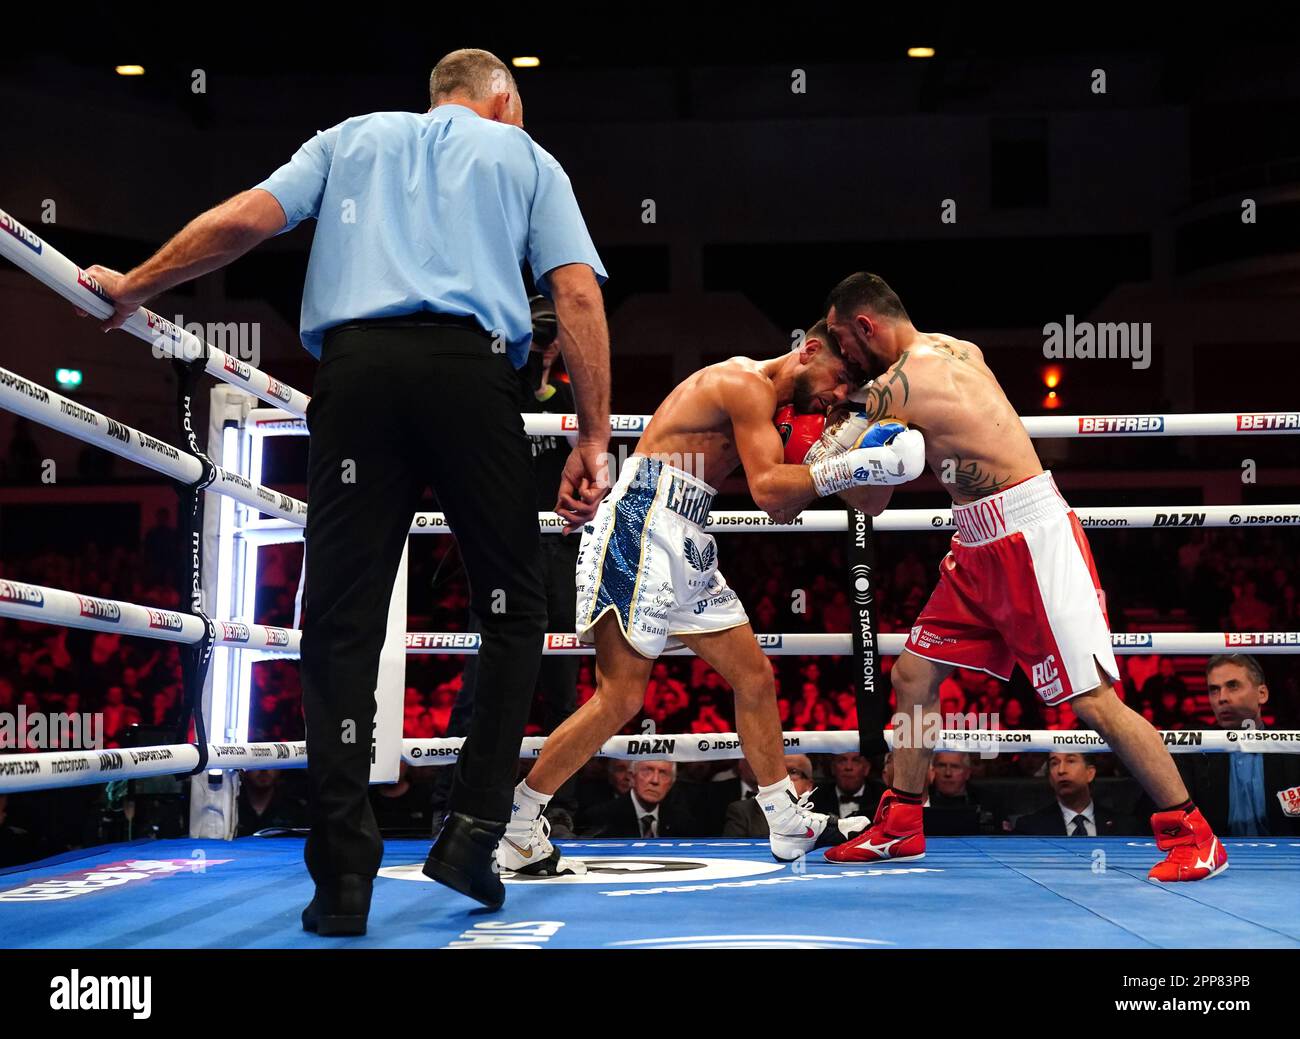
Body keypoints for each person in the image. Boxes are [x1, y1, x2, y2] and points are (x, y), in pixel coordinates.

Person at [79, 48, 610, 927]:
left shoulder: (351, 139)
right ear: (505, 101)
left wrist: (132, 287)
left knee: (339, 622)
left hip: (358, 378)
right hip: (469, 379)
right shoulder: (524, 155)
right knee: (515, 605)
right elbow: (576, 295)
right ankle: (473, 830)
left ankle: (342, 877)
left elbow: (249, 218)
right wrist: (592, 437)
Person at [816, 272, 1225, 882]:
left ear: (866, 326)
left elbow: (848, 475)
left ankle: (1193, 832)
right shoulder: (959, 349)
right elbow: (881, 490)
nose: (842, 355)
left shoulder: (897, 387)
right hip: (976, 542)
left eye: (842, 341)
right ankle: (901, 821)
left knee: (1091, 699)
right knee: (913, 671)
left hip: (1029, 539)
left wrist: (811, 436)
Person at [498, 320, 919, 874]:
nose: (838, 394)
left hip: (686, 534)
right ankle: (519, 826)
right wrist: (859, 460)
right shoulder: (745, 385)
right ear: (809, 350)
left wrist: (848, 455)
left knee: (754, 676)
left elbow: (784, 509)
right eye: (839, 377)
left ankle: (785, 821)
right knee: (620, 697)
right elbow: (770, 490)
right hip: (641, 525)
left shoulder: (775, 410)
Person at [1171, 655, 1300, 837]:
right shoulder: (1195, 753)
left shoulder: (1292, 748)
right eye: (1214, 690)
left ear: (1262, 694)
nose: (1221, 698)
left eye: (1233, 686)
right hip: (1218, 858)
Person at [1013, 752, 1136, 836]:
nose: (1061, 770)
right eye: (1054, 763)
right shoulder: (1030, 828)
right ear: (1050, 777)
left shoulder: (1125, 826)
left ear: (1090, 773)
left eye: (1070, 761)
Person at [579, 760, 700, 838]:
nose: (655, 780)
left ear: (671, 783)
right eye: (647, 771)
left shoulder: (683, 822)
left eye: (663, 773)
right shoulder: (600, 818)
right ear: (632, 777)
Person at [723, 756, 818, 837]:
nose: (784, 779)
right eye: (777, 772)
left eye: (792, 772)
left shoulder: (822, 817)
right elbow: (732, 853)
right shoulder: (744, 811)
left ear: (808, 785)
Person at [811, 751, 885, 821]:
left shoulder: (882, 798)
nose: (848, 767)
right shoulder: (816, 798)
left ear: (866, 768)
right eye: (842, 760)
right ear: (833, 767)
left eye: (856, 761)